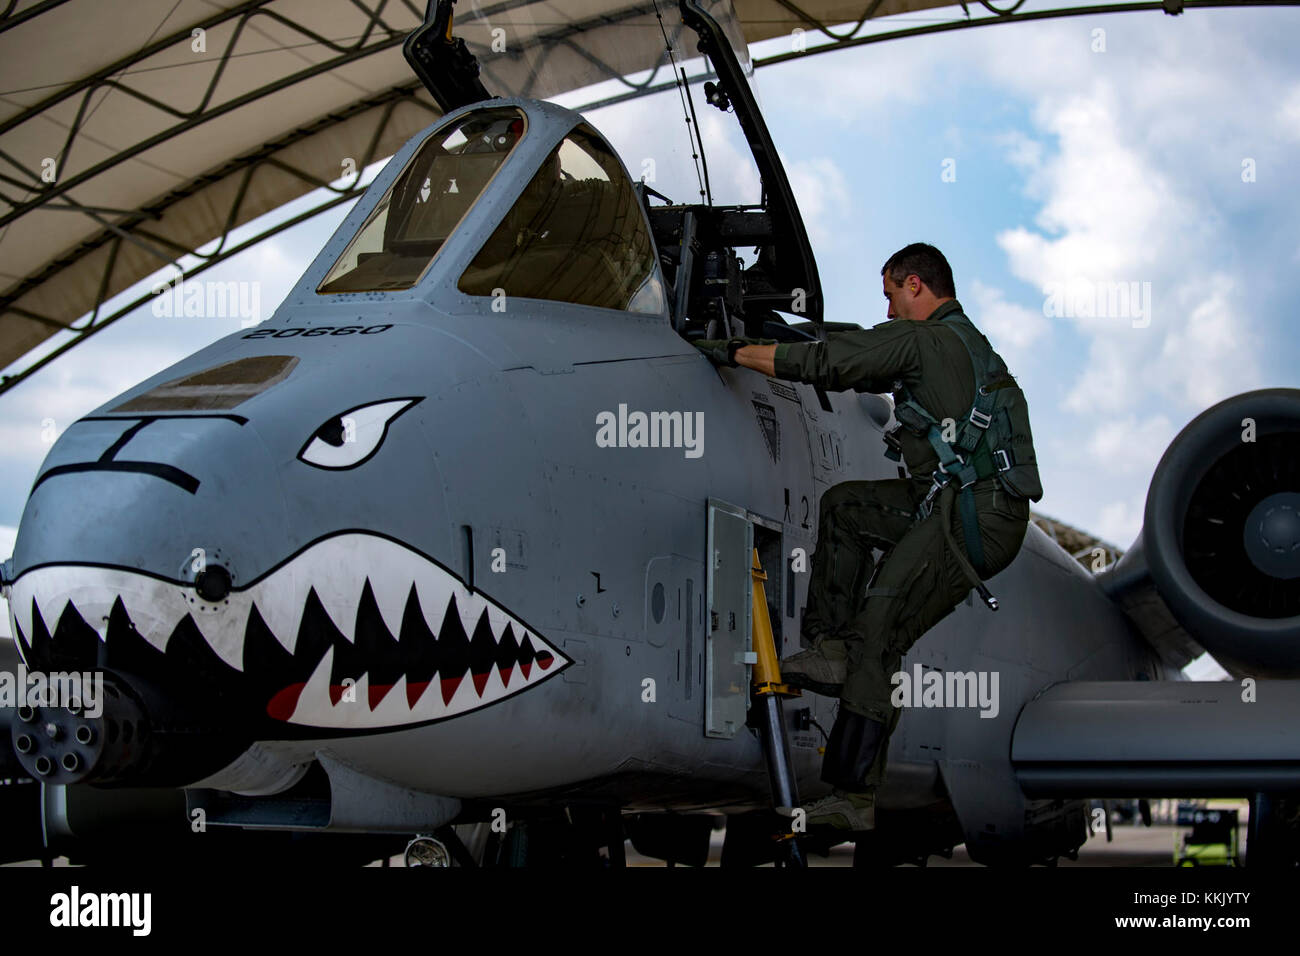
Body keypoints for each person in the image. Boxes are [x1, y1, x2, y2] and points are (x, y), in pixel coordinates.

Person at [695, 242, 1042, 831]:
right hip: (957, 504)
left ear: (916, 286)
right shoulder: (964, 345)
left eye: (890, 296)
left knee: (878, 631)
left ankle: (854, 797)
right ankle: (831, 647)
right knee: (848, 507)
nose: (887, 310)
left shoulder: (926, 341)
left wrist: (733, 351)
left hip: (972, 519)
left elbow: (833, 364)